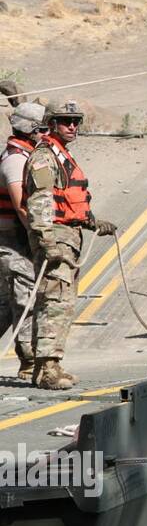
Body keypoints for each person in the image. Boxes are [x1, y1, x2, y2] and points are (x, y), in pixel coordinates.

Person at [22, 98, 117, 389]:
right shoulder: (44, 157)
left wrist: (92, 222)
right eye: (66, 121)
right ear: (51, 124)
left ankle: (48, 366)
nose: (73, 126)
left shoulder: (60, 155)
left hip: (69, 236)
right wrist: (47, 240)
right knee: (54, 302)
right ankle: (48, 370)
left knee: (60, 302)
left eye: (76, 121)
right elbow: (40, 201)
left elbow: (69, 198)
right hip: (57, 238)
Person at [0, 103, 46, 380]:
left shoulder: (19, 154)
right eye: (42, 129)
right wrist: (40, 235)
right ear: (30, 130)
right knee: (25, 298)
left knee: (5, 305)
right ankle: (29, 362)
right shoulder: (16, 160)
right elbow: (20, 205)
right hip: (12, 242)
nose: (45, 134)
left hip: (10, 240)